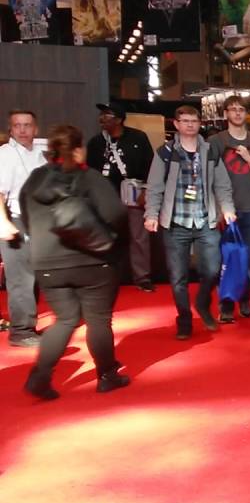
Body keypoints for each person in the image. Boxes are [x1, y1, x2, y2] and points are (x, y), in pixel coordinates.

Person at [19, 124, 129, 400]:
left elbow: (25, 215)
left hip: (46, 262)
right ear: (79, 149)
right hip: (93, 261)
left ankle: (41, 376)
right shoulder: (89, 178)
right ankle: (106, 375)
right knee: (98, 320)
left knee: (65, 319)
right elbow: (115, 213)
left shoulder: (35, 180)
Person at [144, 105, 237, 340]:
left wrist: (228, 209)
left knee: (213, 270)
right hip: (175, 222)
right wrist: (151, 214)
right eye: (184, 121)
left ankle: (202, 302)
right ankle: (184, 319)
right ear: (176, 124)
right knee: (178, 278)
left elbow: (222, 184)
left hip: (205, 219)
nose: (189, 125)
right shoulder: (165, 153)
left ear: (199, 124)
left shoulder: (210, 151)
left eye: (193, 121)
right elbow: (154, 187)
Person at [207, 96, 250, 322]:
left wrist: (248, 158)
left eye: (241, 109)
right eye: (232, 109)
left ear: (246, 114)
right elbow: (208, 175)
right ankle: (225, 304)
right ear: (225, 114)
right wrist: (217, 209)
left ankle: (244, 295)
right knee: (224, 260)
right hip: (223, 209)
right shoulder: (215, 141)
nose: (236, 113)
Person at [87, 102, 156, 292]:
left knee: (139, 237)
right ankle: (104, 276)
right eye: (101, 115)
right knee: (105, 238)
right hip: (106, 198)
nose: (102, 119)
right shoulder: (95, 143)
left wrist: (147, 190)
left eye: (107, 115)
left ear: (118, 119)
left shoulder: (138, 138)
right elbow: (89, 172)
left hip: (134, 194)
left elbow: (151, 165)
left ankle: (142, 277)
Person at [0, 109, 45, 347]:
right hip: (14, 219)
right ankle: (21, 331)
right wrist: (3, 222)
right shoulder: (5, 155)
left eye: (27, 125)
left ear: (35, 128)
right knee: (20, 278)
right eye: (17, 125)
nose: (22, 130)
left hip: (37, 221)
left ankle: (29, 327)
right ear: (11, 128)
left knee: (32, 277)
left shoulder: (38, 154)